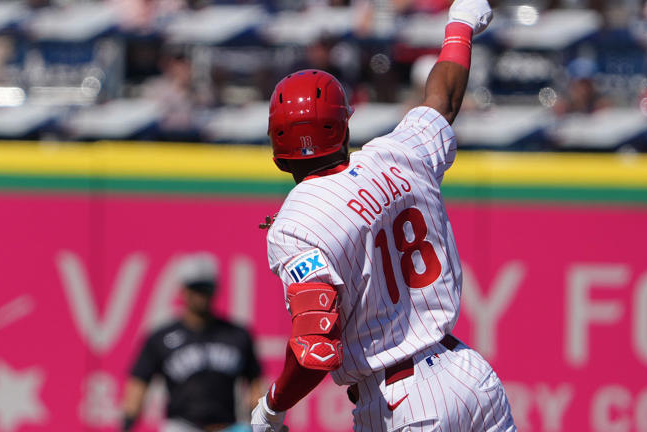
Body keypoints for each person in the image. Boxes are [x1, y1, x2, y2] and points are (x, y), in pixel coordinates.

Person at [250, 0, 516, 430]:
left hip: (403, 402)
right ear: (343, 126)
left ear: (278, 148)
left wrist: (272, 407)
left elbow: (317, 344)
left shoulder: (296, 223)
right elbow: (444, 99)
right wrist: (461, 25)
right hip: (469, 375)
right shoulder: (399, 151)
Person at [122, 255, 264, 432]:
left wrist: (261, 421)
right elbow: (139, 384)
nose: (200, 294)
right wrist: (127, 424)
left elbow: (255, 384)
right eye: (195, 287)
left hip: (226, 426)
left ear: (215, 289)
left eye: (206, 288)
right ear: (182, 290)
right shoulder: (161, 337)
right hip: (180, 426)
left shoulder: (237, 335)